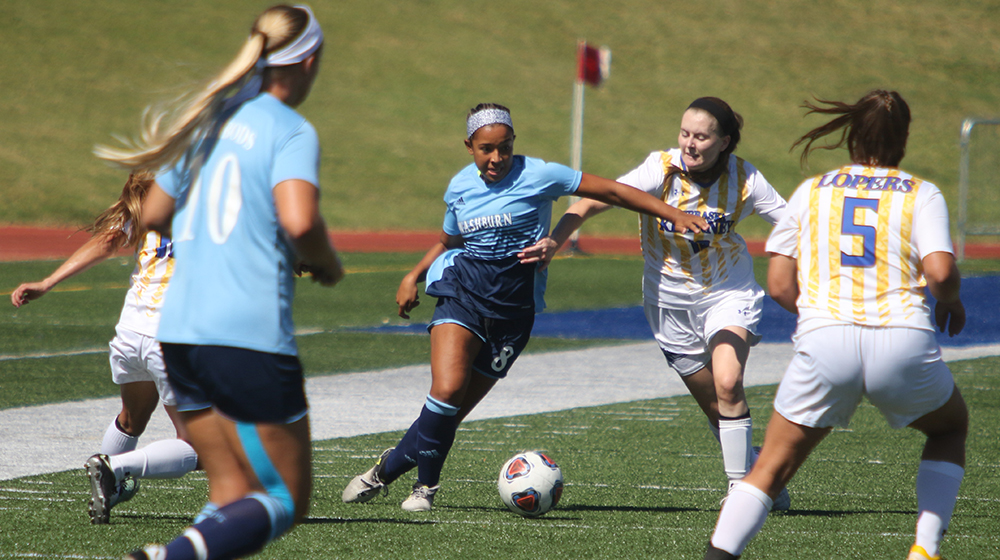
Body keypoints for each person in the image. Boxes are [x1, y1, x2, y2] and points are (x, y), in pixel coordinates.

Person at [341, 102, 709, 512]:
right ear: (469, 146)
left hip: (515, 314)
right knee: (445, 392)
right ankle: (424, 490)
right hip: (462, 294)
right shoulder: (460, 187)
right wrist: (413, 275)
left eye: (505, 147)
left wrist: (672, 212)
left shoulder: (540, 175)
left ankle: (381, 472)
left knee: (450, 413)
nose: (496, 158)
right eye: (486, 149)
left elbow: (613, 191)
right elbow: (449, 241)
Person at [93, 5, 343, 559]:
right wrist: (324, 260)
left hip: (179, 336)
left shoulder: (214, 120)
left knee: (229, 490)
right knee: (282, 496)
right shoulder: (290, 129)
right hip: (243, 333)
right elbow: (301, 221)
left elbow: (156, 210)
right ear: (308, 61)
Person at [704, 90, 968, 560]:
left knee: (769, 468)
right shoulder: (922, 193)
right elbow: (941, 273)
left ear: (850, 135)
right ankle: (924, 550)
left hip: (826, 340)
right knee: (949, 429)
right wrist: (950, 301)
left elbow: (781, 283)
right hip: (902, 338)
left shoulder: (813, 190)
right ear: (904, 137)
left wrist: (824, 317)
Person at [520, 97, 790, 507]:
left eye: (702, 136)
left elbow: (793, 224)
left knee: (729, 382)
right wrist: (555, 243)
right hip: (668, 303)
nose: (690, 144)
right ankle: (759, 472)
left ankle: (741, 491)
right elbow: (592, 201)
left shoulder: (746, 178)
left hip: (727, 293)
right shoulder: (660, 168)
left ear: (725, 142)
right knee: (718, 408)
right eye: (685, 134)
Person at [10, 171, 199, 525]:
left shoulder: (147, 208)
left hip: (130, 333)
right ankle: (113, 467)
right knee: (197, 444)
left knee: (132, 419)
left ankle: (106, 491)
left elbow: (106, 242)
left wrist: (48, 282)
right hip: (172, 338)